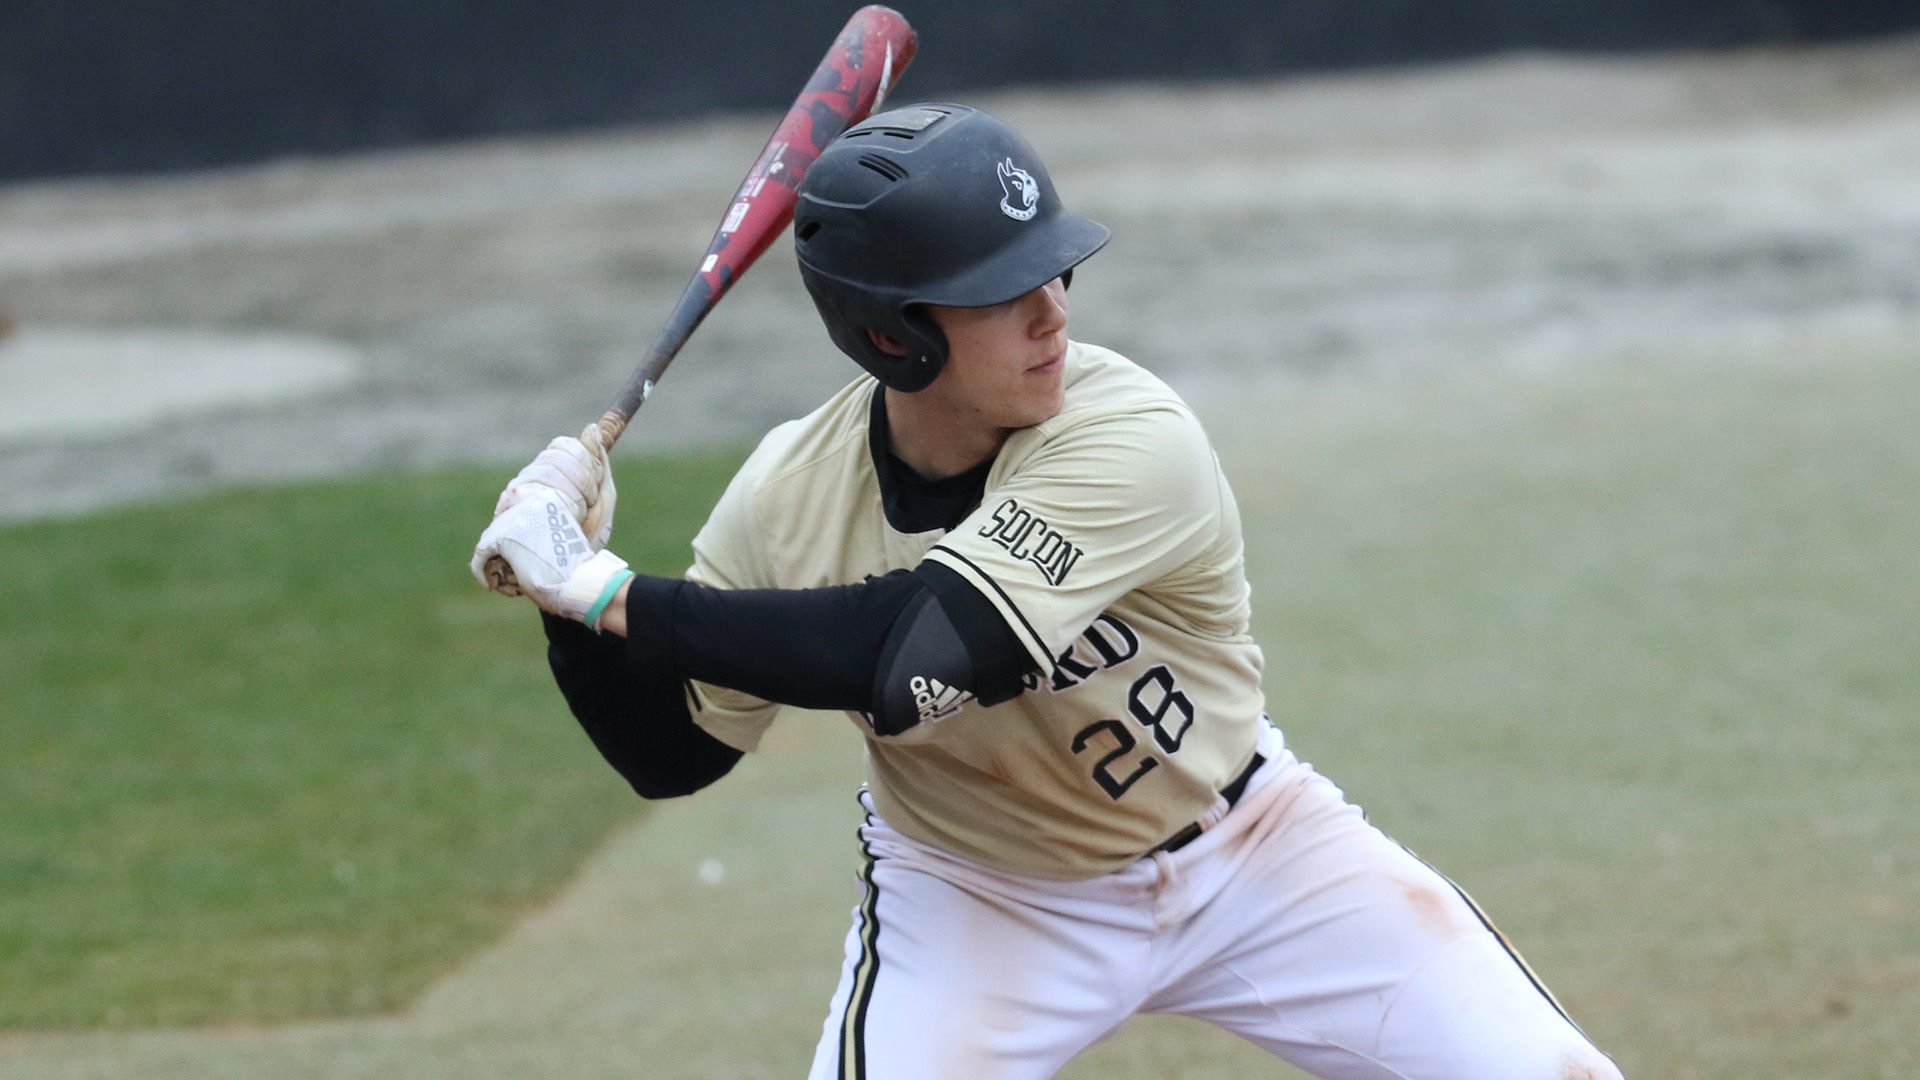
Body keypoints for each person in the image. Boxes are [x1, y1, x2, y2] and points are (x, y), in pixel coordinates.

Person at [471, 103, 1624, 1080]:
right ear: (892, 336)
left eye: (1054, 267)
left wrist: (610, 588)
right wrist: (565, 602)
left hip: (1257, 855)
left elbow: (913, 657)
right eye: (1000, 290)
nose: (1055, 309)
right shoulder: (790, 494)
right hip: (979, 902)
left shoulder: (1128, 434)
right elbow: (673, 753)